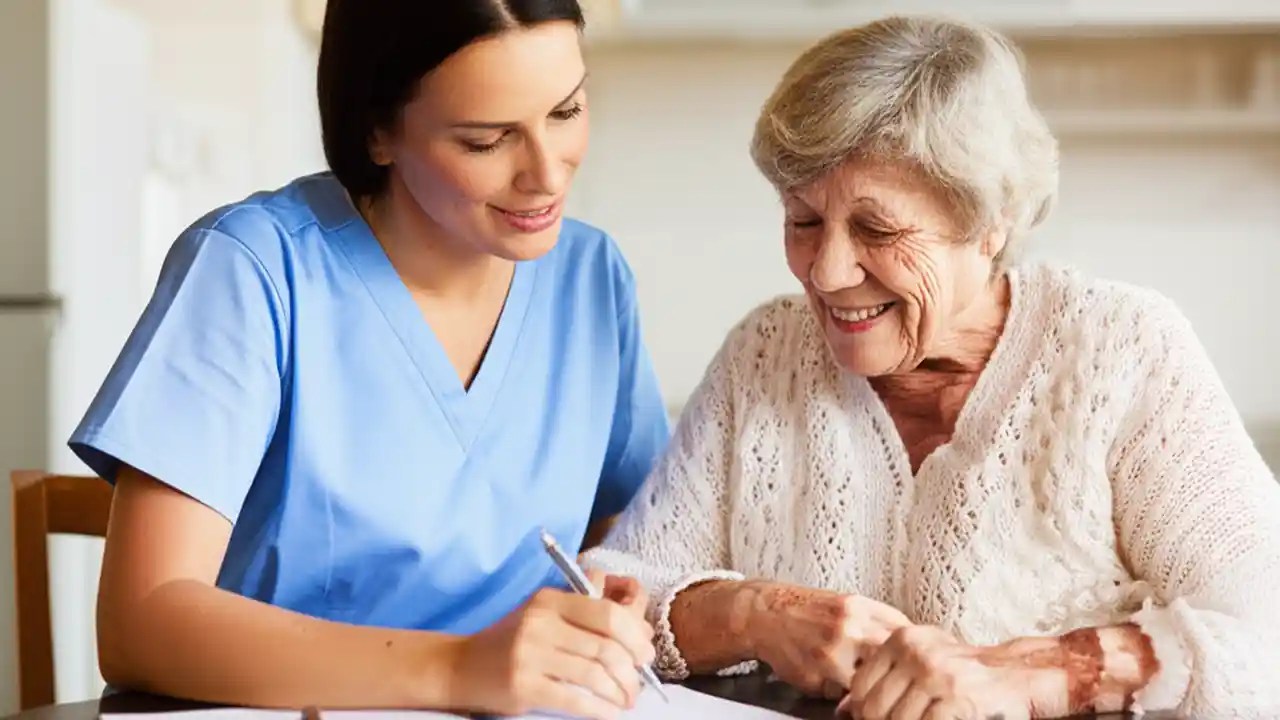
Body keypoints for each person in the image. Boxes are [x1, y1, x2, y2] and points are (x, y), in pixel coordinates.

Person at [584, 14, 1280, 720]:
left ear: (991, 224)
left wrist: (1023, 675)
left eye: (877, 229)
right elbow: (611, 588)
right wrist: (759, 613)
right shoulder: (766, 353)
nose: (826, 272)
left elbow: (1266, 630)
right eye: (803, 221)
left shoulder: (1121, 349)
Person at [70, 2, 669, 718]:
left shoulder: (592, 277)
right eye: (486, 141)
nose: (546, 173)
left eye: (567, 111)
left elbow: (626, 545)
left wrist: (620, 594)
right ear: (378, 132)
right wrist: (457, 669)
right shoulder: (255, 270)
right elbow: (142, 622)